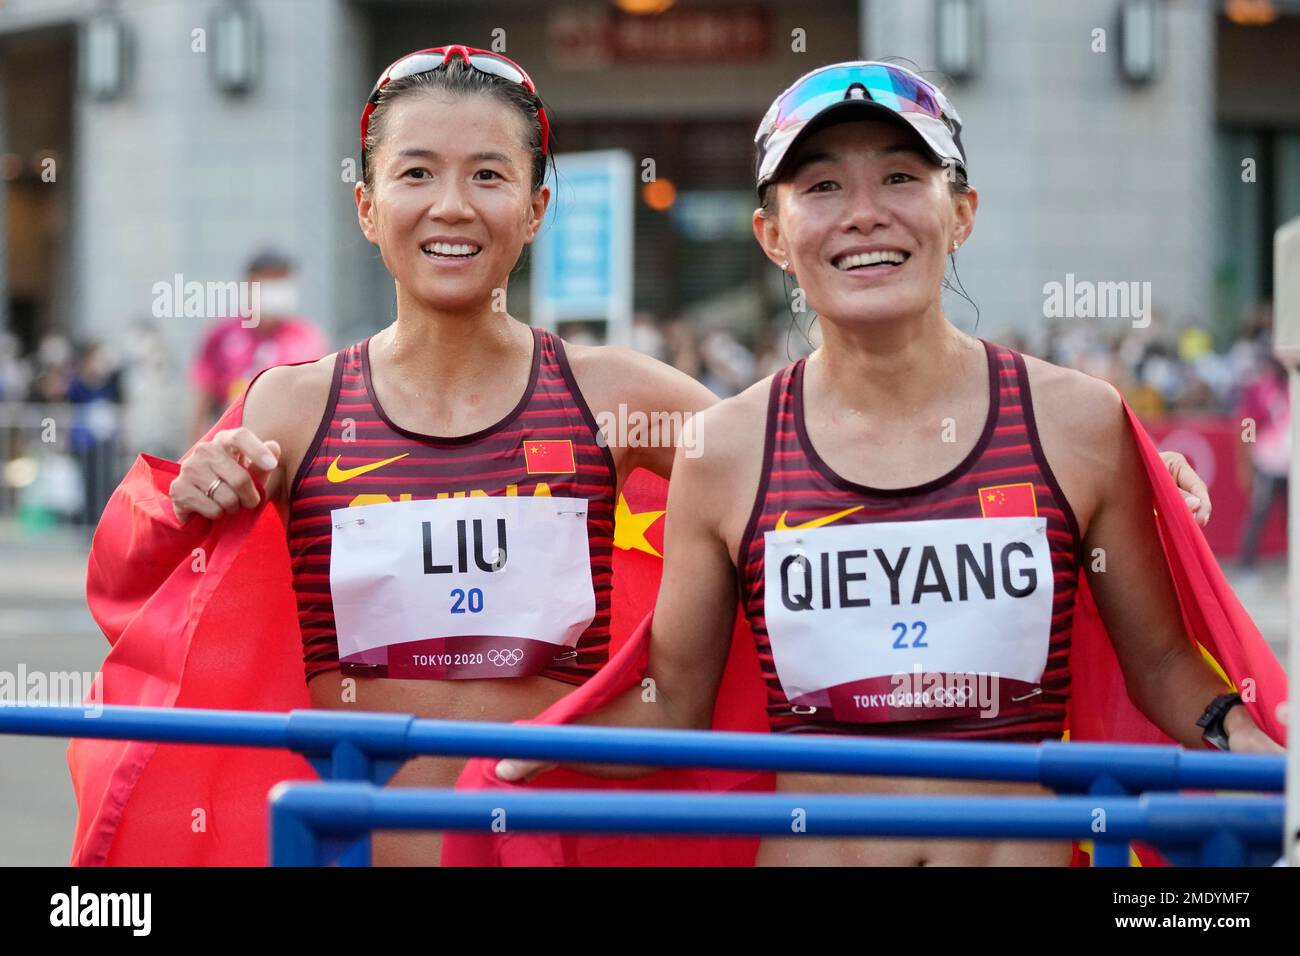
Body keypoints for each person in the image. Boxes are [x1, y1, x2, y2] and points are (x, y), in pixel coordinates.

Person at [495, 61, 1280, 866]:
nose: (865, 216)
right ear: (772, 235)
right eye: (823, 187)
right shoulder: (723, 451)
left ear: (962, 211)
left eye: (901, 177)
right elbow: (671, 708)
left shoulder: (1078, 421)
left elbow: (1160, 665)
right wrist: (514, 746)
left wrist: (1249, 737)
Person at [163, 46, 714, 865]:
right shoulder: (292, 404)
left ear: (536, 208)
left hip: (545, 851)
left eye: (488, 176)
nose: (451, 207)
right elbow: (175, 605)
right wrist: (190, 493)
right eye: (416, 174)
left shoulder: (618, 396)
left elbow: (790, 490)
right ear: (366, 206)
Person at [187, 248, 328, 443]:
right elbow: (202, 402)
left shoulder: (306, 338)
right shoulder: (222, 334)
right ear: (250, 284)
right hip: (229, 442)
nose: (278, 289)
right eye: (271, 280)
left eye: (283, 280)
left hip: (287, 443)